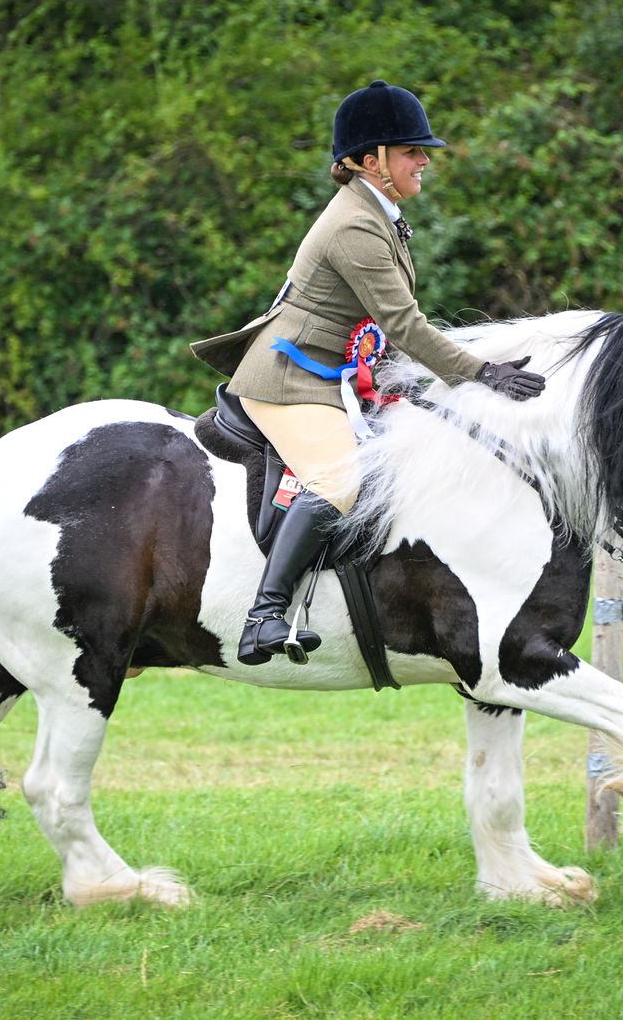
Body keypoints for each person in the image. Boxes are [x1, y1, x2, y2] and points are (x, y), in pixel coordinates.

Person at [190, 79, 546, 665]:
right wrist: (480, 373)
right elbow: (405, 325)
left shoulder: (381, 215)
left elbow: (388, 334)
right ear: (367, 160)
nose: (424, 160)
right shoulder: (355, 224)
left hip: (333, 373)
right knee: (337, 479)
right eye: (411, 151)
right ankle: (265, 616)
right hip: (289, 379)